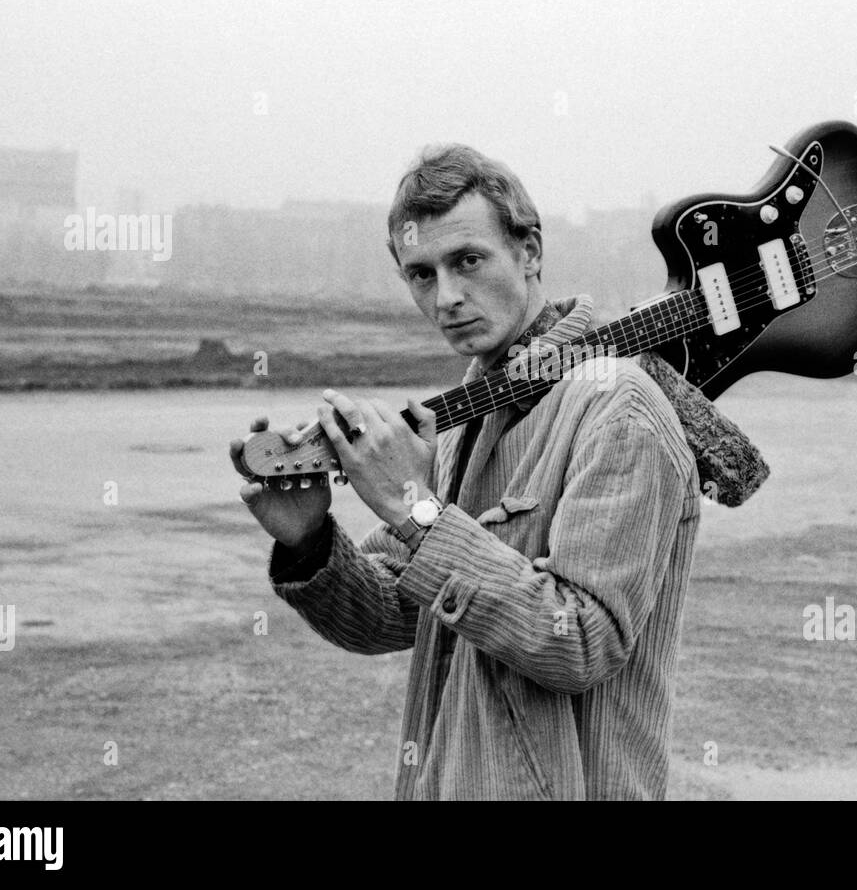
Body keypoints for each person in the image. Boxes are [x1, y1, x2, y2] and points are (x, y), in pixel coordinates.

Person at [229, 144, 710, 800]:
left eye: (468, 261)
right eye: (422, 275)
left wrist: (414, 507)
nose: (448, 297)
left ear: (529, 252)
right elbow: (389, 614)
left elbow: (579, 643)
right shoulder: (467, 421)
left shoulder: (618, 409)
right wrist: (309, 538)